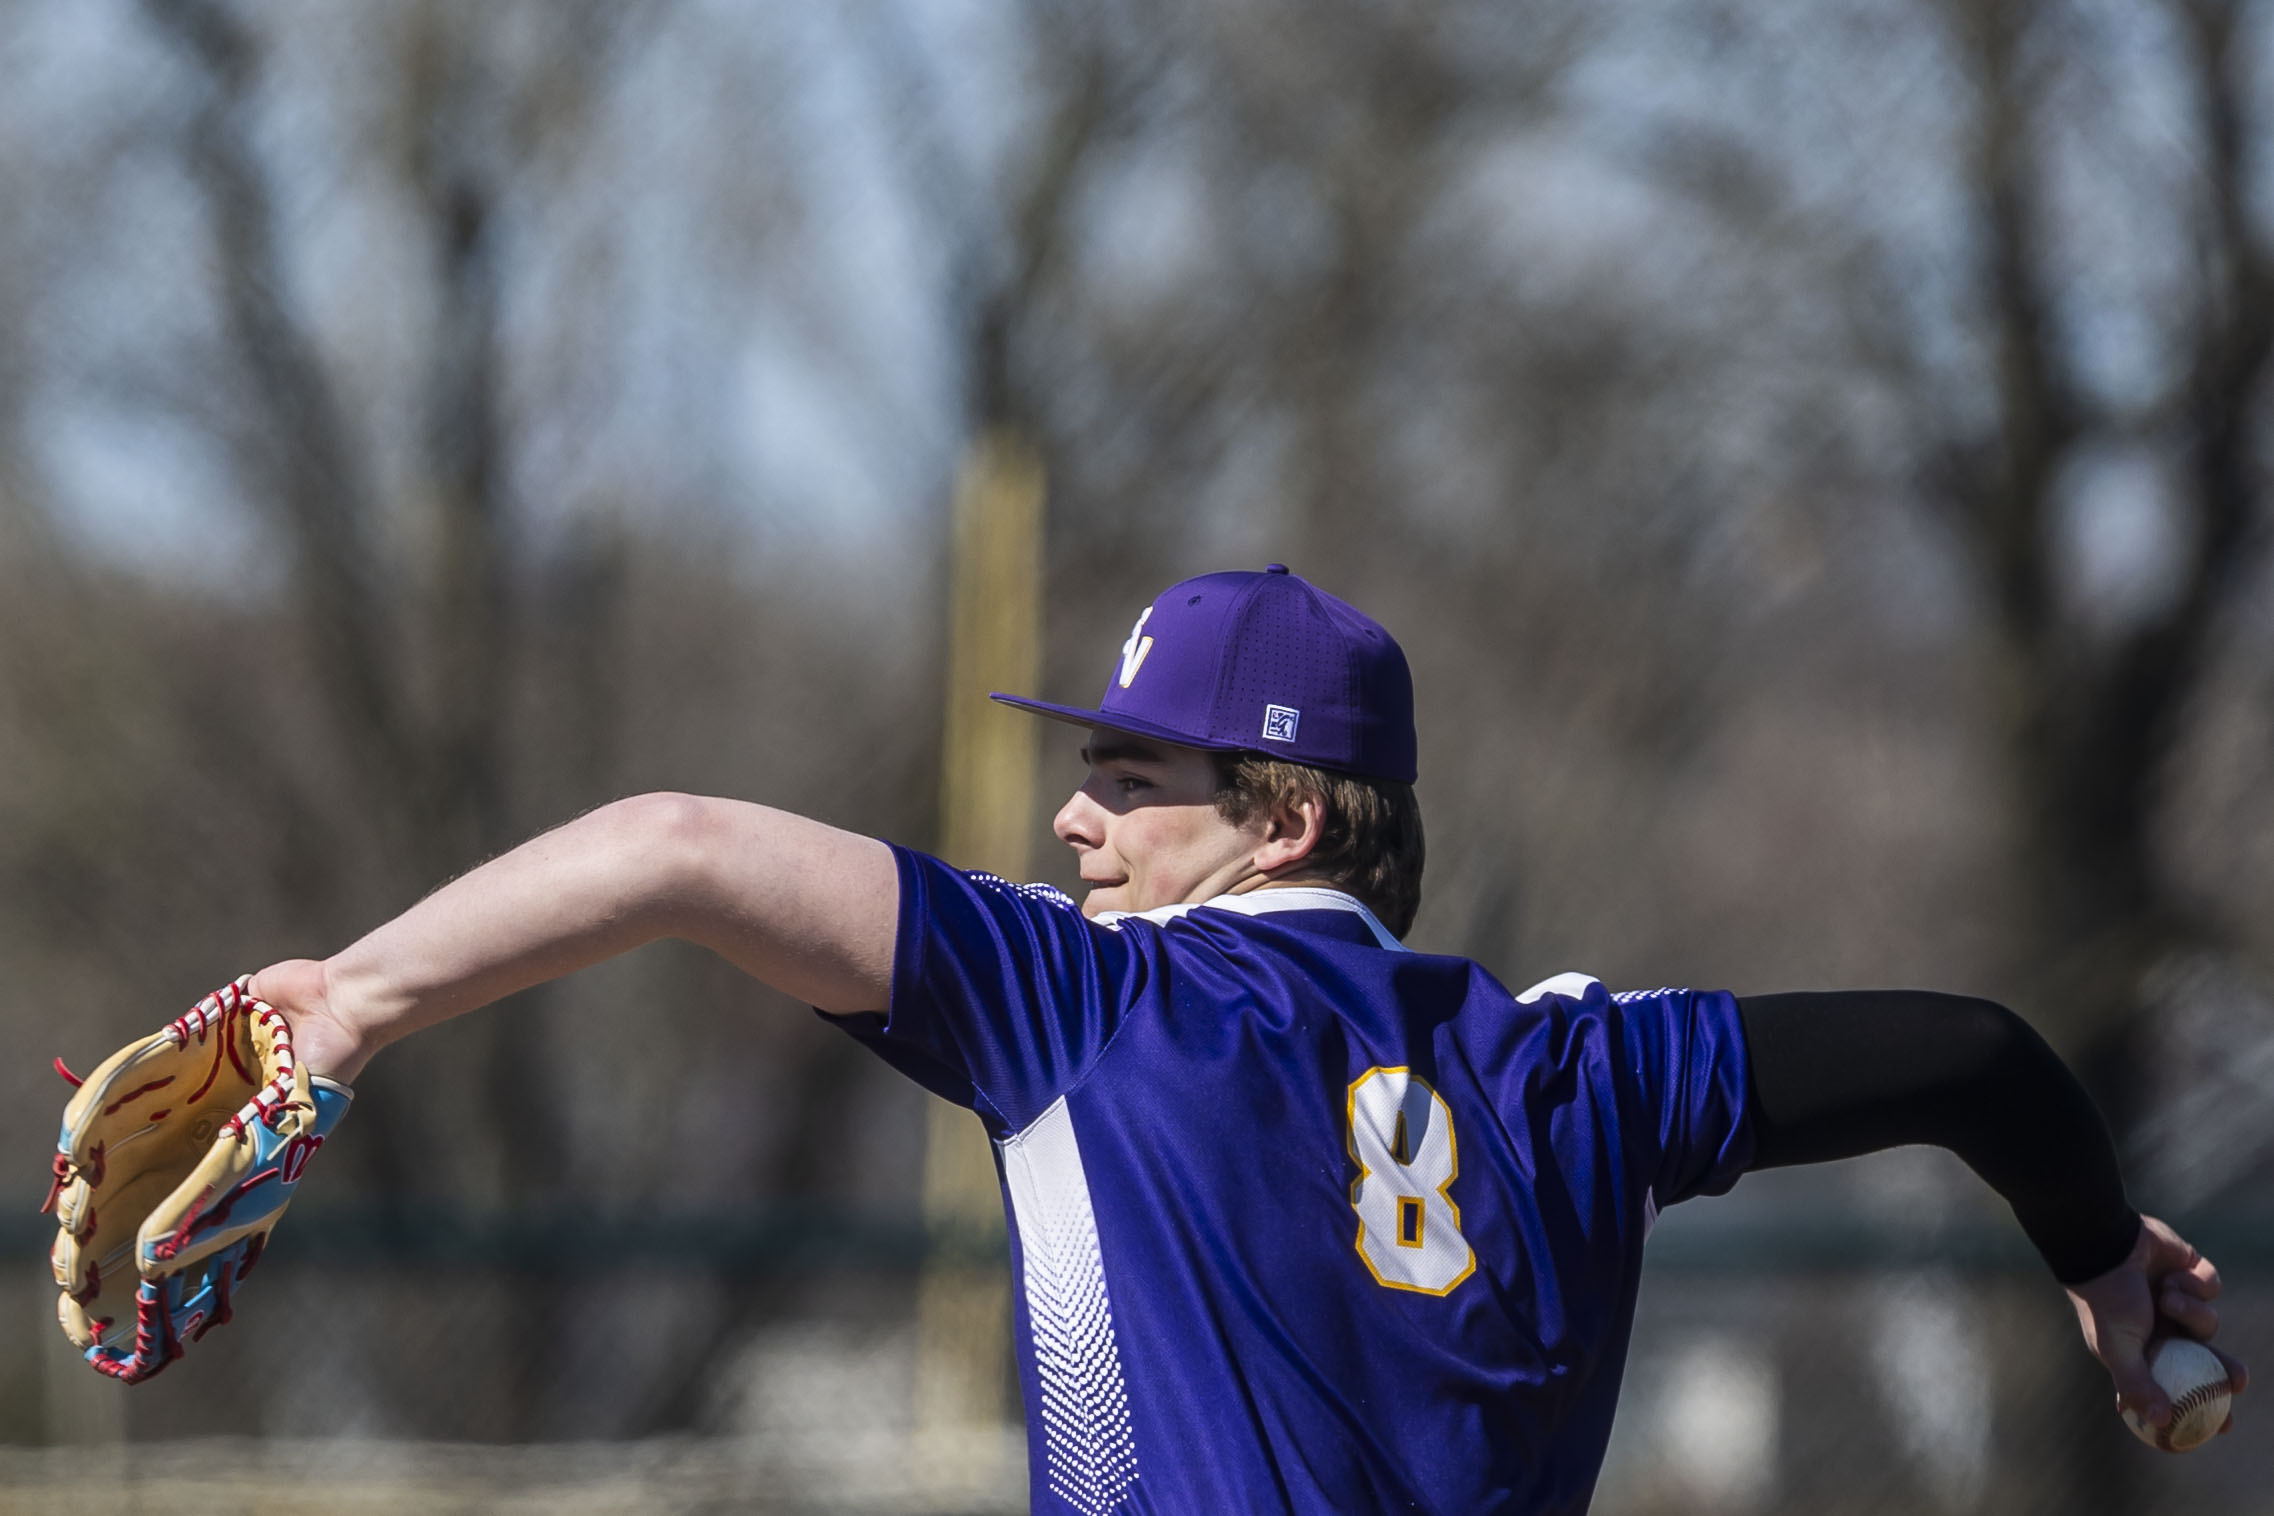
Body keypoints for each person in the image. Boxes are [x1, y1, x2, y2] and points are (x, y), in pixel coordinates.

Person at [254, 564, 2244, 1513]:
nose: (1074, 818)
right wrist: (2096, 1255)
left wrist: (345, 1000)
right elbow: (1981, 1052)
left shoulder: (1096, 1002)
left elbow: (671, 844)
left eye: (1127, 777)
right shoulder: (1581, 1069)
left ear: (1279, 817)